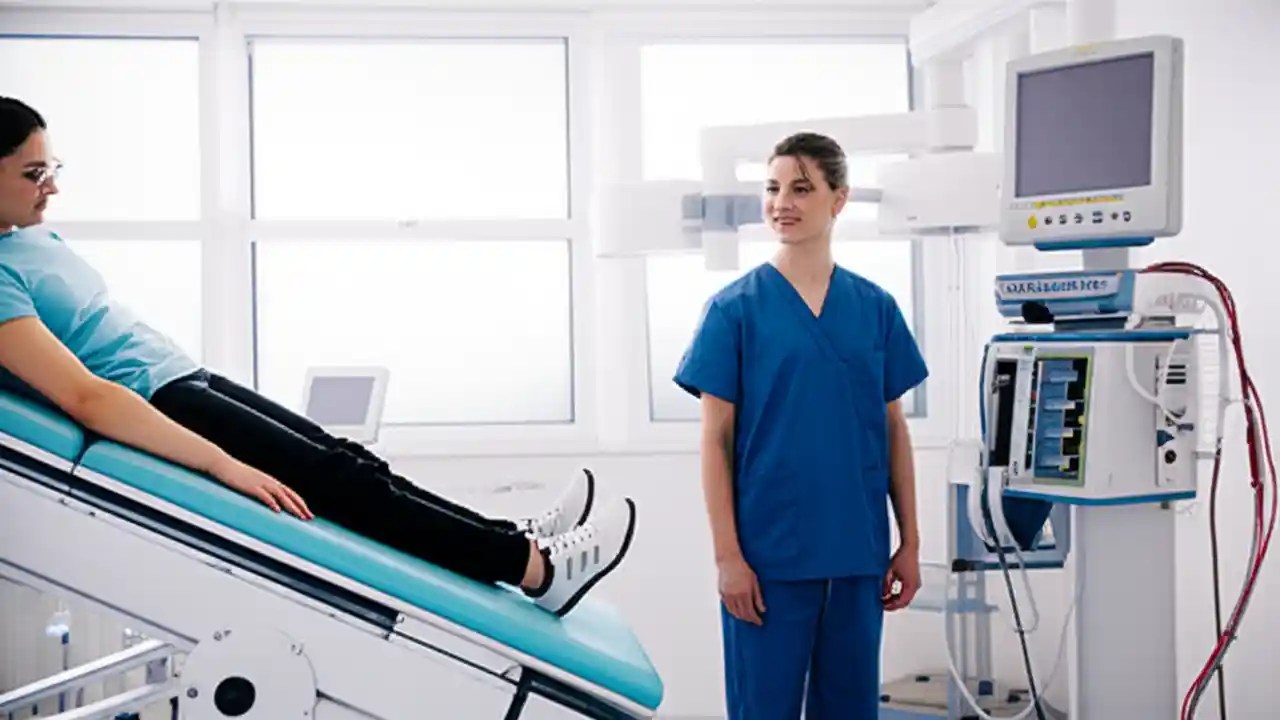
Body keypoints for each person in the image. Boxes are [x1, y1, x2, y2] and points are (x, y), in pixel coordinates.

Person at [0, 96, 635, 618]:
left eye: (52, 167)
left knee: (351, 464)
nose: (50, 185)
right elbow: (83, 395)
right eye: (33, 174)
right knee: (341, 484)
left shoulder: (24, 236)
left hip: (179, 375)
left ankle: (512, 536)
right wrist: (224, 465)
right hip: (158, 403)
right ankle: (537, 570)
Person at [674, 131, 928, 718]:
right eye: (773, 188)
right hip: (768, 559)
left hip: (857, 553)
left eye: (801, 188)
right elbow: (715, 441)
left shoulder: (875, 308)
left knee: (850, 710)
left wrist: (909, 541)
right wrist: (728, 559)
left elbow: (893, 431)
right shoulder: (733, 309)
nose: (781, 202)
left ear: (839, 199)